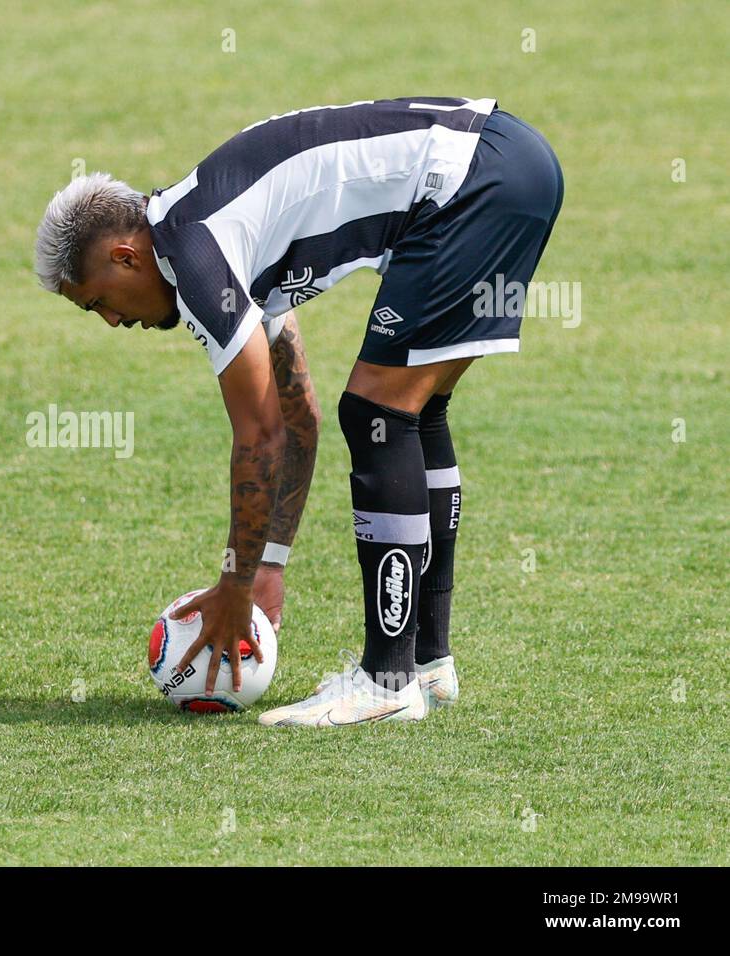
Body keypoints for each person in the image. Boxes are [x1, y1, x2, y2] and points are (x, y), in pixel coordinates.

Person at [33, 97, 564, 727]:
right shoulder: (212, 235)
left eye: (98, 303)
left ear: (126, 257)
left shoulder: (199, 257)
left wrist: (233, 589)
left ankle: (387, 680)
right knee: (414, 410)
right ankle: (426, 662)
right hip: (509, 162)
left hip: (472, 182)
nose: (115, 321)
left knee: (377, 410)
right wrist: (269, 567)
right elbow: (296, 413)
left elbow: (259, 437)